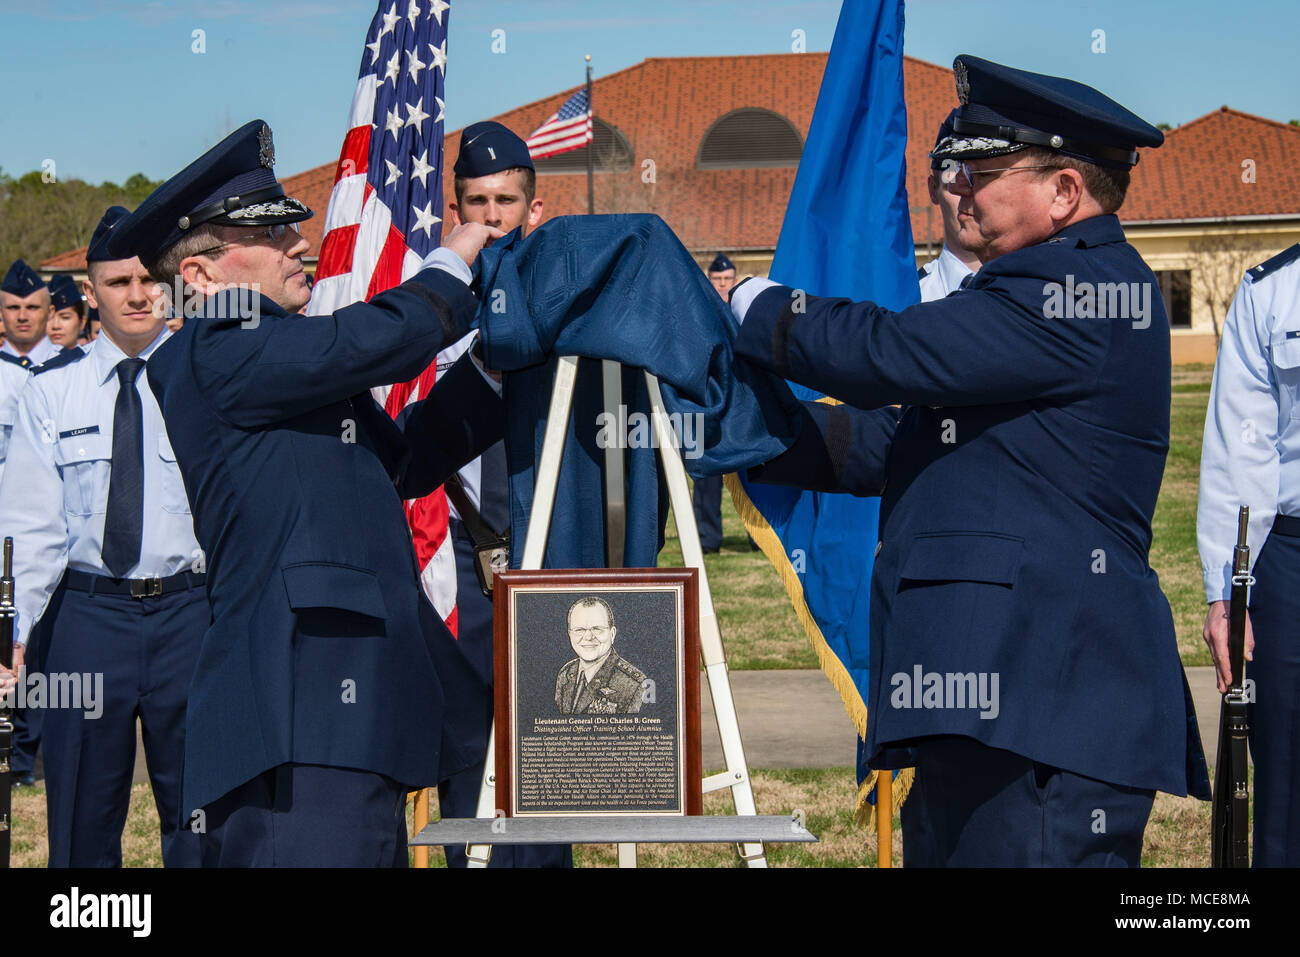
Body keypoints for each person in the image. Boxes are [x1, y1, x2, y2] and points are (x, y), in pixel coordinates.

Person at [728, 54, 1209, 866]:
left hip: (1043, 703)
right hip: (995, 700)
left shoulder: (1072, 287)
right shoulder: (1035, 287)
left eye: (984, 168)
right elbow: (898, 441)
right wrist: (744, 432)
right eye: (956, 167)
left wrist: (742, 299)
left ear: (1064, 191)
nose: (959, 186)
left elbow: (884, 353)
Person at [103, 119, 504, 867]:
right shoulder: (216, 345)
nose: (299, 243)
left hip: (342, 717)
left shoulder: (275, 365)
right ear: (200, 277)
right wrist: (451, 268)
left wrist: (491, 373)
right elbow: (364, 340)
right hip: (302, 713)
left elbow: (406, 462)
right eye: (270, 233)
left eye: (294, 227)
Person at [0, 206, 206, 866]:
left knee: (202, 811)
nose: (139, 295)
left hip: (192, 613)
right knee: (83, 813)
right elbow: (31, 525)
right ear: (91, 293)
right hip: (89, 616)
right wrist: (16, 635)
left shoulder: (206, 379)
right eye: (119, 283)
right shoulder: (50, 391)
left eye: (149, 279)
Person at [436, 119, 570, 868]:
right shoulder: (425, 310)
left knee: (549, 749)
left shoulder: (568, 317)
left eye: (507, 202)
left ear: (534, 210)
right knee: (466, 755)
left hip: (547, 547)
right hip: (457, 550)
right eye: (476, 202)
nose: (491, 219)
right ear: (455, 211)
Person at [1197, 242, 1300, 867]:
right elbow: (1241, 450)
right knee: (1286, 779)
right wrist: (1225, 595)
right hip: (1291, 560)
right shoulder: (1271, 293)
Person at [691, 253, 739, 553]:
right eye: (717, 280)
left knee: (753, 474)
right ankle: (708, 540)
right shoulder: (699, 309)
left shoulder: (744, 311)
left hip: (739, 399)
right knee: (706, 475)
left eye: (727, 279)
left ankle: (757, 538)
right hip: (707, 400)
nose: (722, 285)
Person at [918, 110, 979, 302]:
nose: (968, 194)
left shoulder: (1047, 294)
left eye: (980, 180)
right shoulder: (911, 298)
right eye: (952, 183)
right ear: (933, 190)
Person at [554, 597, 646, 715]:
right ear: (570, 634)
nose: (588, 637)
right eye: (579, 630)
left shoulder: (636, 685)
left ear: (612, 634)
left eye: (597, 629)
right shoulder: (565, 674)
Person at [1, 260, 60, 369]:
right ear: (1, 313)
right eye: (13, 308)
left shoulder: (73, 365)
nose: (22, 317)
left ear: (50, 312)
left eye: (32, 307)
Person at [46, 274, 89, 350]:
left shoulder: (94, 361)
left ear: (82, 322)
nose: (55, 326)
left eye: (65, 318)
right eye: (48, 318)